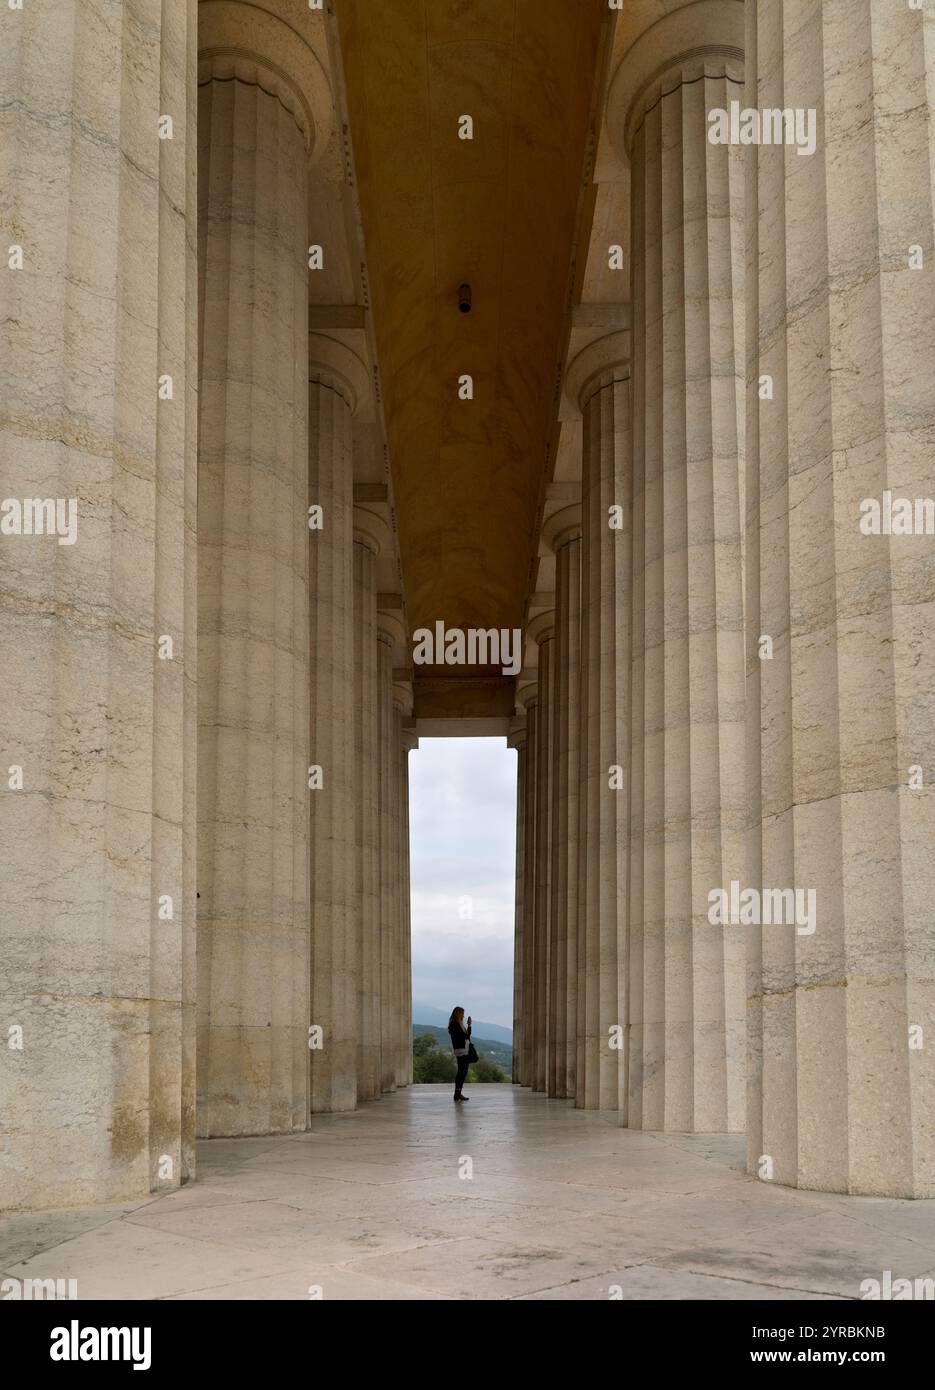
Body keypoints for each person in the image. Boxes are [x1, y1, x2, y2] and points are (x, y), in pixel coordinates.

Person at [448, 1006, 472, 1103]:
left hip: (465, 1050)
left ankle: (458, 1092)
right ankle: (457, 1093)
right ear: (458, 1013)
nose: (463, 1015)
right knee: (461, 1071)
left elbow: (467, 1035)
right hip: (460, 1050)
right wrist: (465, 1030)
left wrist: (469, 1025)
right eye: (462, 1013)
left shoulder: (460, 1024)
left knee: (464, 1071)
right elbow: (462, 1036)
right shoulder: (454, 1024)